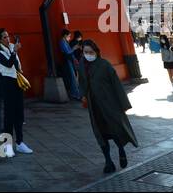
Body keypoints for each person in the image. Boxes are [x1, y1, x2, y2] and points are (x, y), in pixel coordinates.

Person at [79, 38, 138, 172]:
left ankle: (121, 150)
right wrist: (83, 95)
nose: (88, 54)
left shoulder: (104, 65)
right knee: (99, 133)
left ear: (96, 52)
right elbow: (81, 82)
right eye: (85, 52)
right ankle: (108, 161)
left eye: (90, 52)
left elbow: (116, 84)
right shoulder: (82, 65)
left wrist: (123, 104)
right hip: (94, 105)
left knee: (115, 129)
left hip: (109, 103)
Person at [0, 29, 32, 155]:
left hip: (17, 82)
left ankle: (20, 142)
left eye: (8, 36)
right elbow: (9, 64)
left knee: (19, 114)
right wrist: (14, 51)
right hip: (7, 83)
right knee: (9, 116)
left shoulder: (10, 47)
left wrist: (14, 49)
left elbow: (16, 64)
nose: (7, 39)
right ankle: (7, 145)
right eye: (4, 37)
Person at [57, 29, 82, 100]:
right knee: (73, 77)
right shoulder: (62, 42)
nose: (70, 38)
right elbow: (68, 52)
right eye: (69, 36)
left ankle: (75, 93)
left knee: (73, 76)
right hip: (67, 60)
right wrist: (74, 48)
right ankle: (75, 94)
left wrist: (74, 59)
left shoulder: (65, 41)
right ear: (65, 35)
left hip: (70, 60)